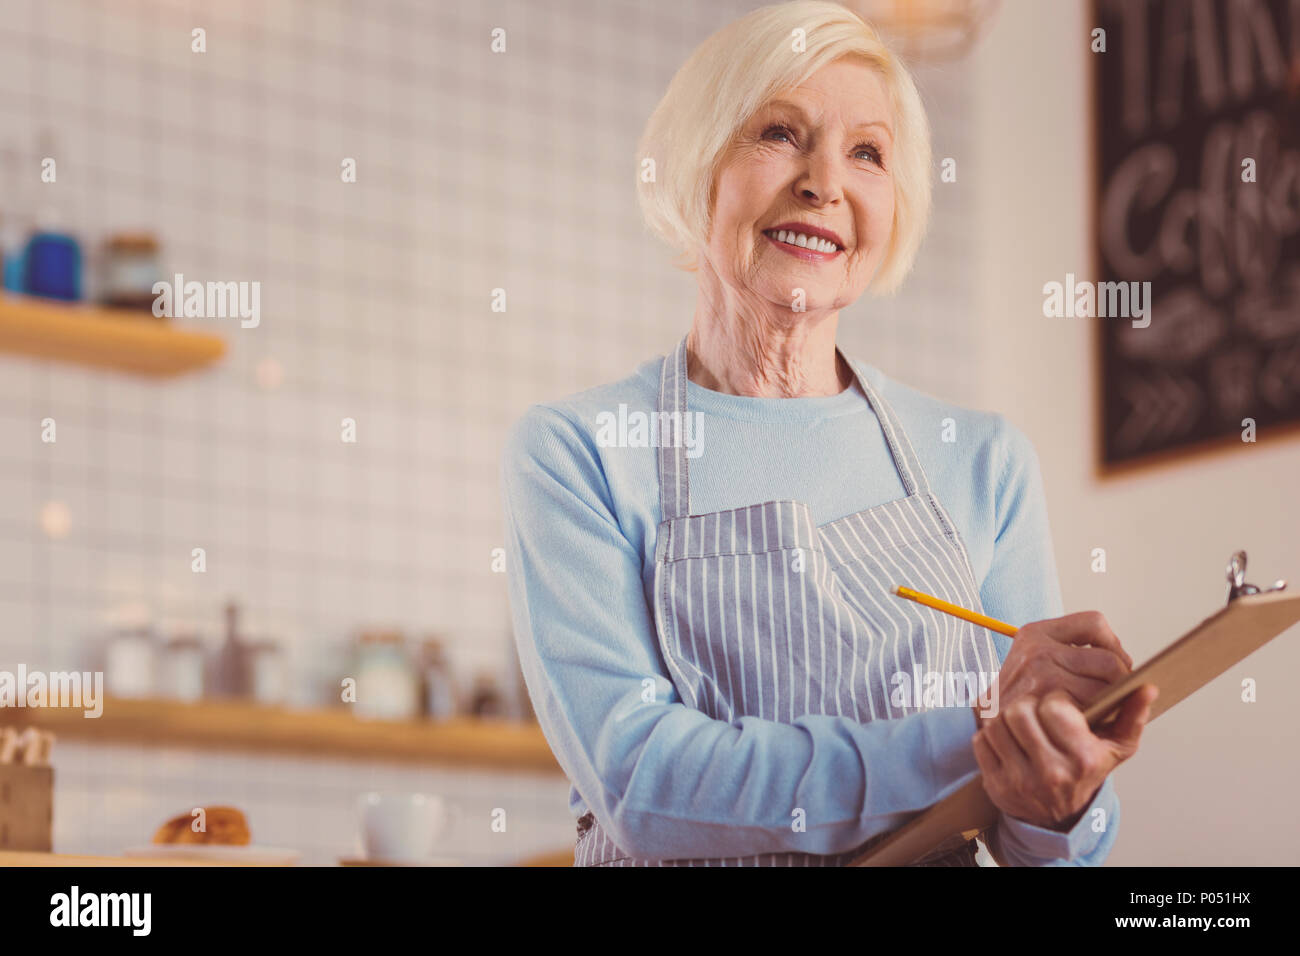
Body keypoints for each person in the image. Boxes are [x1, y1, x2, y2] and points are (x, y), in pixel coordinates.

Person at [501, 0, 1156, 866]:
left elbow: (1047, 845)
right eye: (780, 133)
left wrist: (1059, 800)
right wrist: (978, 744)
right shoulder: (579, 451)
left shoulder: (985, 462)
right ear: (697, 168)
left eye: (868, 153)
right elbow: (643, 783)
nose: (825, 183)